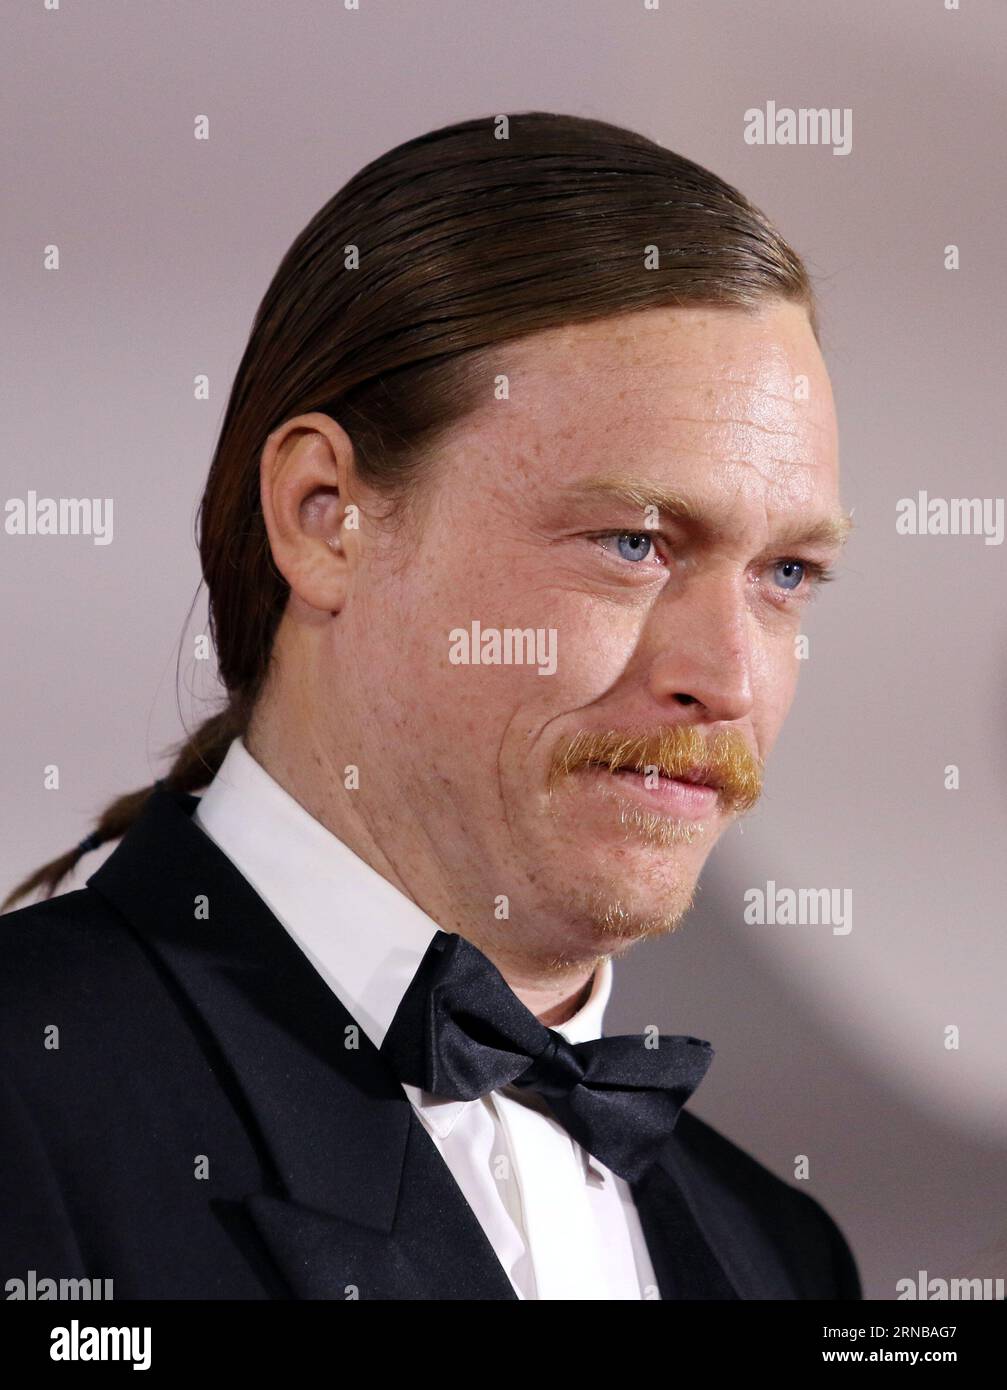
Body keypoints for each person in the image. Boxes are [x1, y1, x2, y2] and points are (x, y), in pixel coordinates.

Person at [1, 111, 860, 1300]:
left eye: (784, 576)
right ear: (323, 515)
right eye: (634, 541)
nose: (728, 679)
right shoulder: (30, 1109)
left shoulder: (783, 1259)